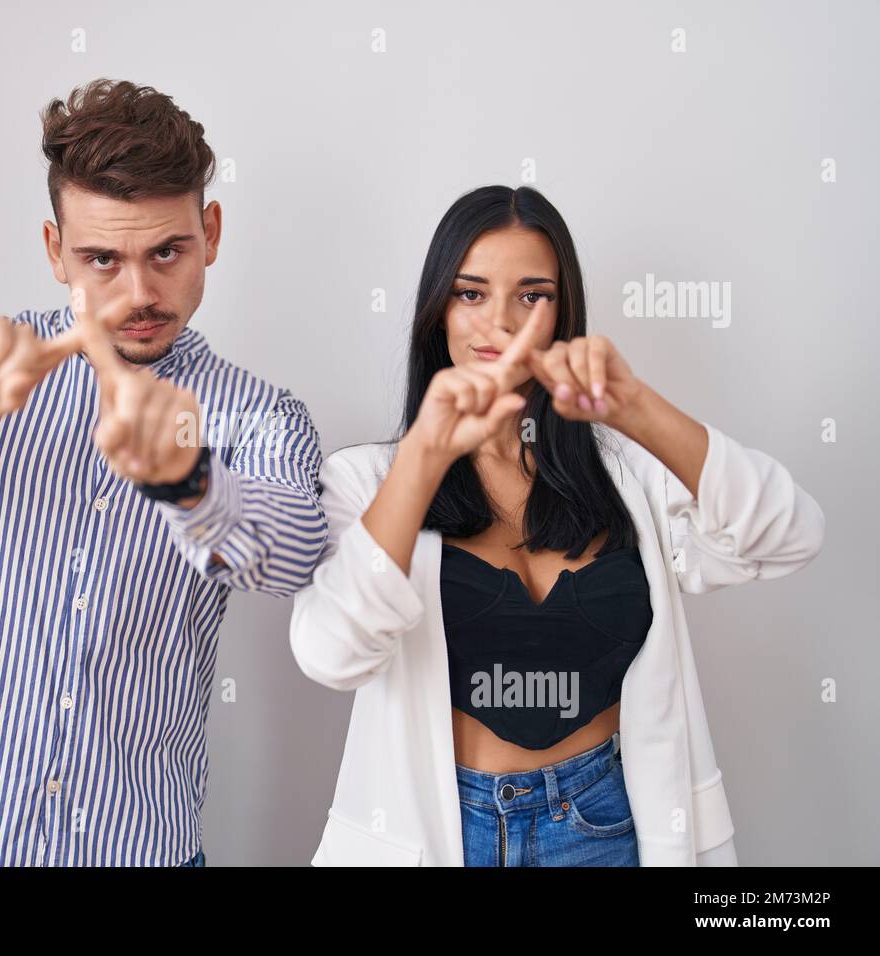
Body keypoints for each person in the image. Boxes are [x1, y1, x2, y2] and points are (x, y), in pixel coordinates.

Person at [0, 78, 327, 866]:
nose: (138, 293)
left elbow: (300, 552)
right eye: (101, 259)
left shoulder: (260, 414)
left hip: (135, 848)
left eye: (166, 252)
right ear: (53, 250)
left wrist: (190, 481)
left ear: (210, 231)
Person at [290, 185, 825, 866]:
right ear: (438, 313)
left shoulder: (624, 475)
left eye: (532, 295)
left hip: (602, 823)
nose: (501, 324)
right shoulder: (368, 481)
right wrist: (426, 455)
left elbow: (791, 535)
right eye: (472, 293)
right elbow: (331, 654)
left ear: (563, 313)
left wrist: (633, 408)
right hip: (443, 831)